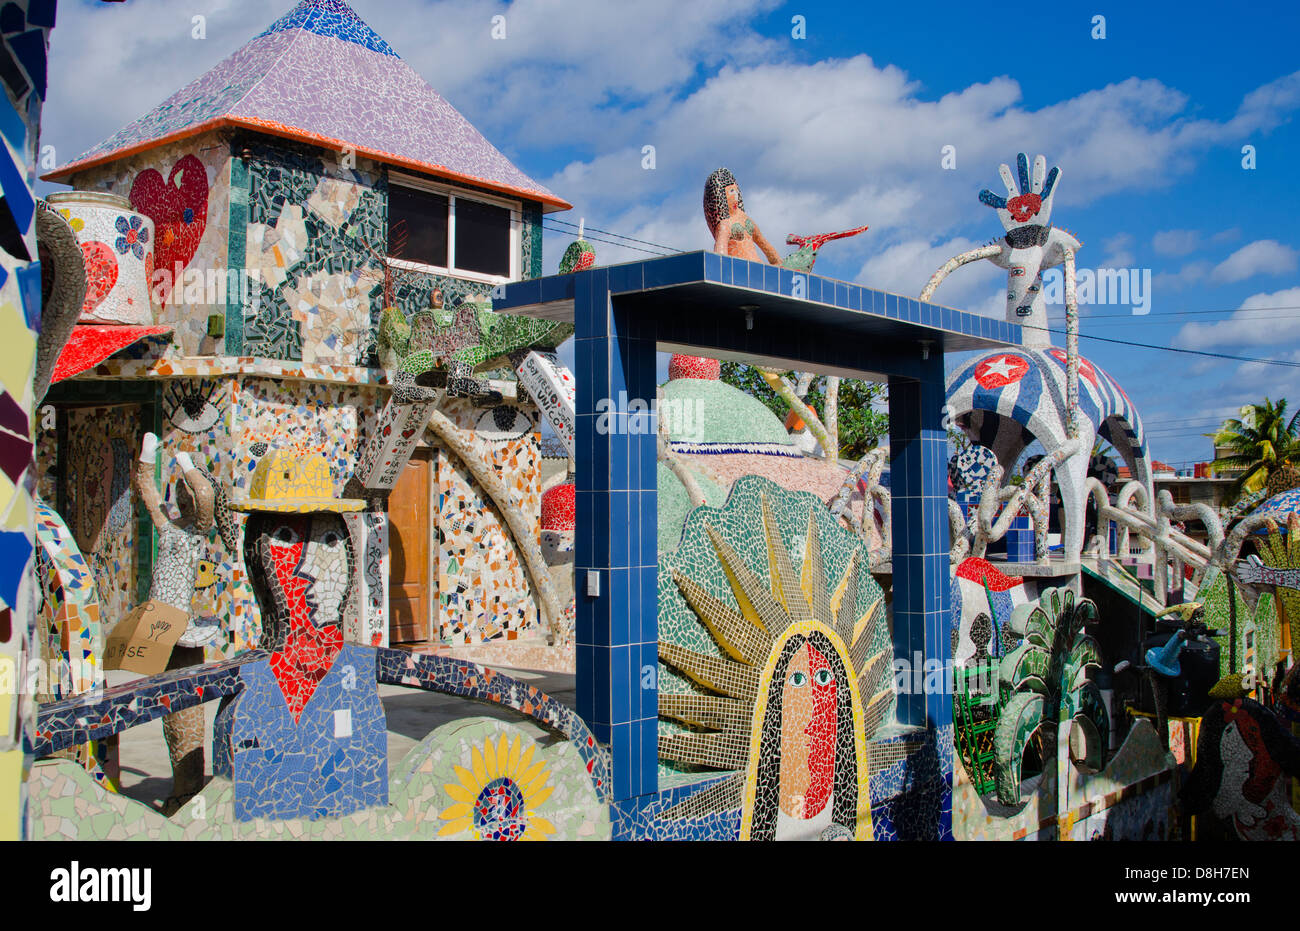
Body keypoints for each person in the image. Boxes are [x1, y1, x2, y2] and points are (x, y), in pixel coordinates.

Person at [215, 450, 387, 821]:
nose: (310, 568)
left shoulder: (357, 687)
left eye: (329, 541)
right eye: (286, 537)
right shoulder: (251, 700)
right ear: (255, 558)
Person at [703, 168, 781, 265]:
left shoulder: (744, 218)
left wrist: (778, 262)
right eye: (731, 192)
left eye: (736, 191)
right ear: (721, 196)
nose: (735, 196)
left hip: (758, 265)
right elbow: (720, 251)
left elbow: (763, 242)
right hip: (740, 269)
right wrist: (721, 268)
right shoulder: (725, 224)